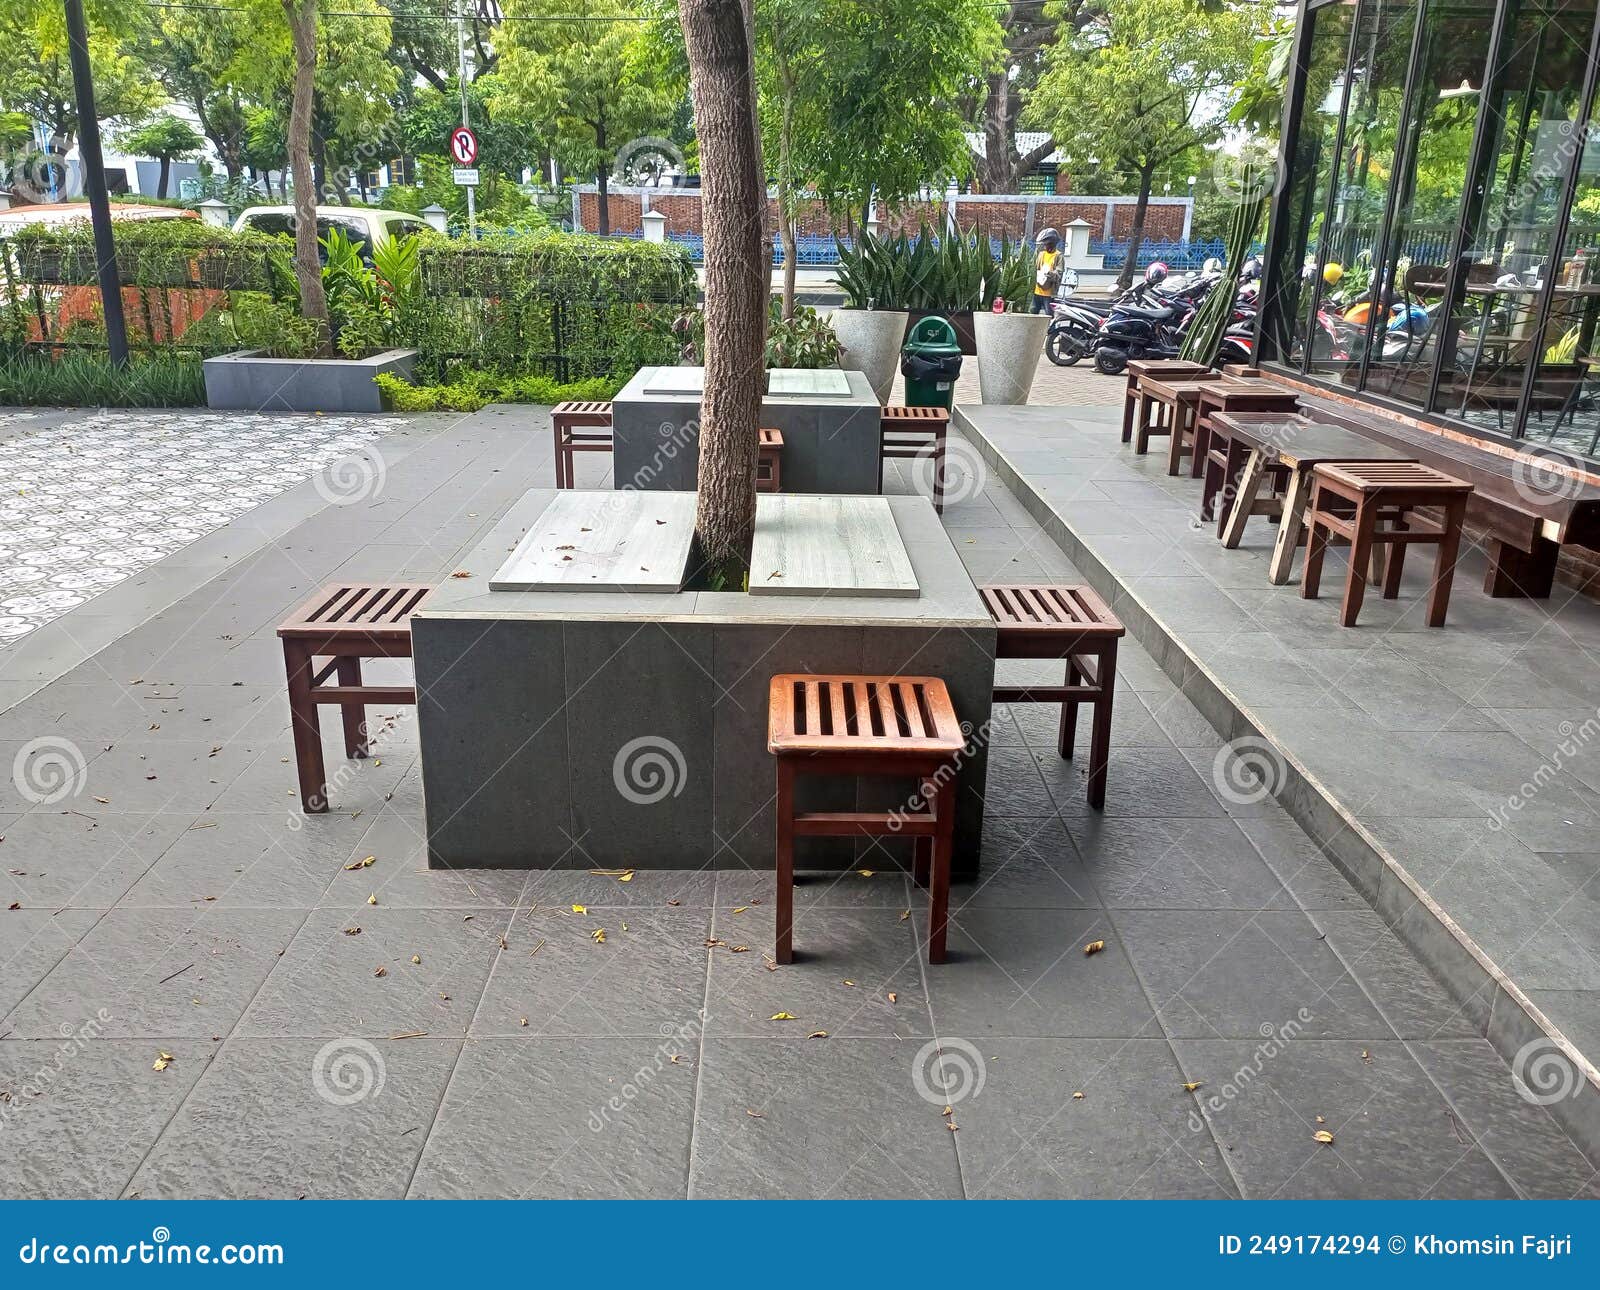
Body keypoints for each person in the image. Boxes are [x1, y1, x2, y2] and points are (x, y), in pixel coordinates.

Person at [1032, 227, 1063, 313]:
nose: (1045, 247)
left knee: (1049, 315)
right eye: (1044, 245)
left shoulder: (1058, 256)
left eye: (1047, 244)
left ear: (1053, 244)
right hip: (1037, 290)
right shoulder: (1041, 254)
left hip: (1049, 293)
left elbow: (1059, 273)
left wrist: (1049, 273)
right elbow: (1034, 268)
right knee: (1033, 312)